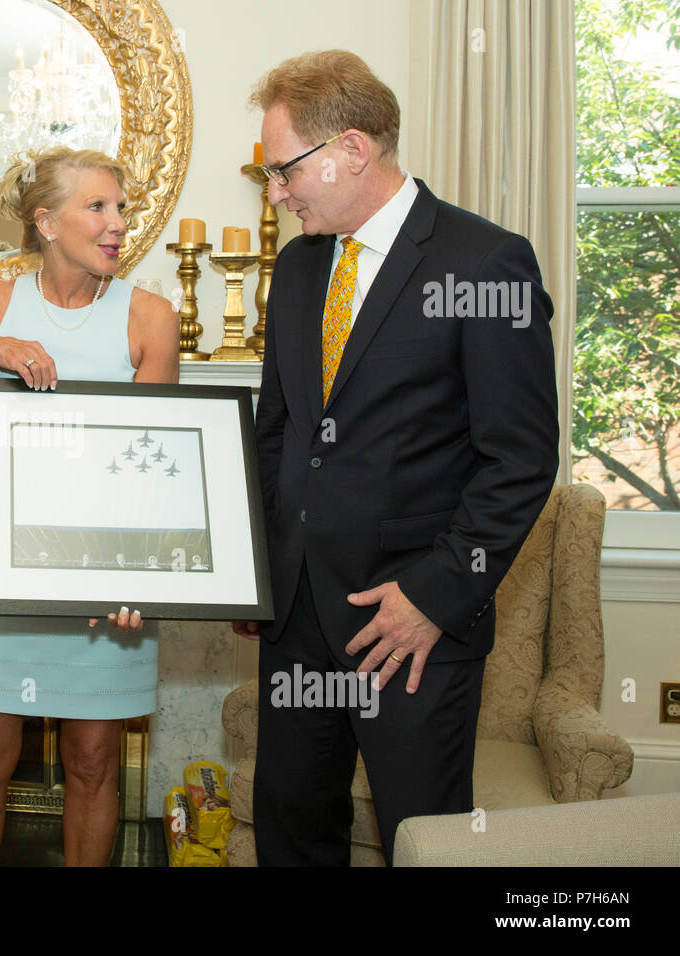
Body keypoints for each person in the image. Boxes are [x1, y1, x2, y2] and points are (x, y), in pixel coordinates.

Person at [236, 51, 559, 864]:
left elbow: (518, 460)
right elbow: (278, 432)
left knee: (426, 844)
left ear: (351, 148)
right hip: (298, 621)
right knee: (292, 833)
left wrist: (434, 597)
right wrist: (256, 566)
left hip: (407, 627)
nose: (275, 193)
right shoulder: (302, 263)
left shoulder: (485, 263)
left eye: (282, 172)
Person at [0, 147, 179, 866]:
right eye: (97, 207)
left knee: (93, 762)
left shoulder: (150, 317)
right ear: (45, 221)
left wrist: (134, 578)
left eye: (122, 208)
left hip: (102, 588)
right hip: (5, 577)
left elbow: (153, 473)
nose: (118, 224)